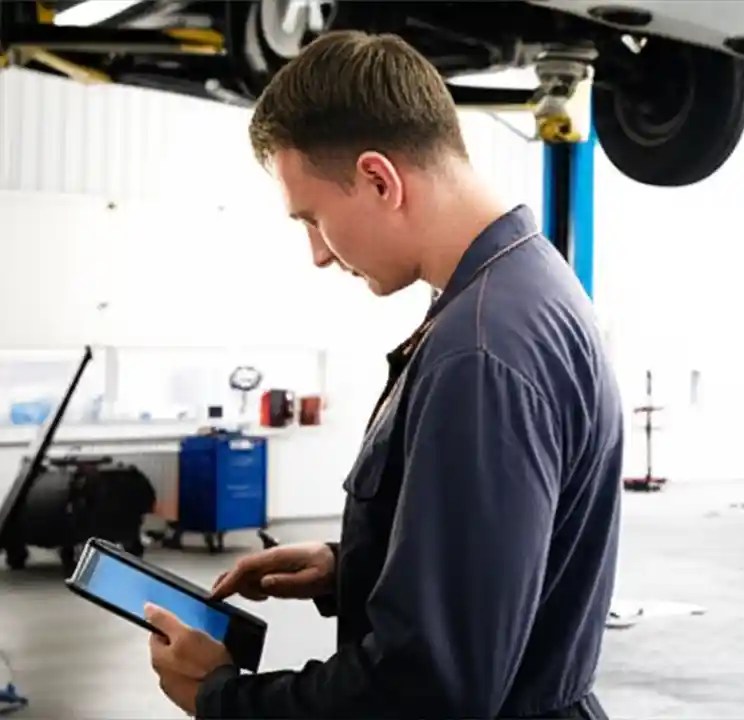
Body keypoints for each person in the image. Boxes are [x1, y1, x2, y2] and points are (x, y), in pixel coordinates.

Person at [144, 29, 623, 719]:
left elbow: (428, 691)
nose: (317, 253)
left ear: (378, 179)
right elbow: (510, 560)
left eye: (312, 218)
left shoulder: (479, 351)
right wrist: (355, 564)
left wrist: (223, 698)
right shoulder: (527, 284)